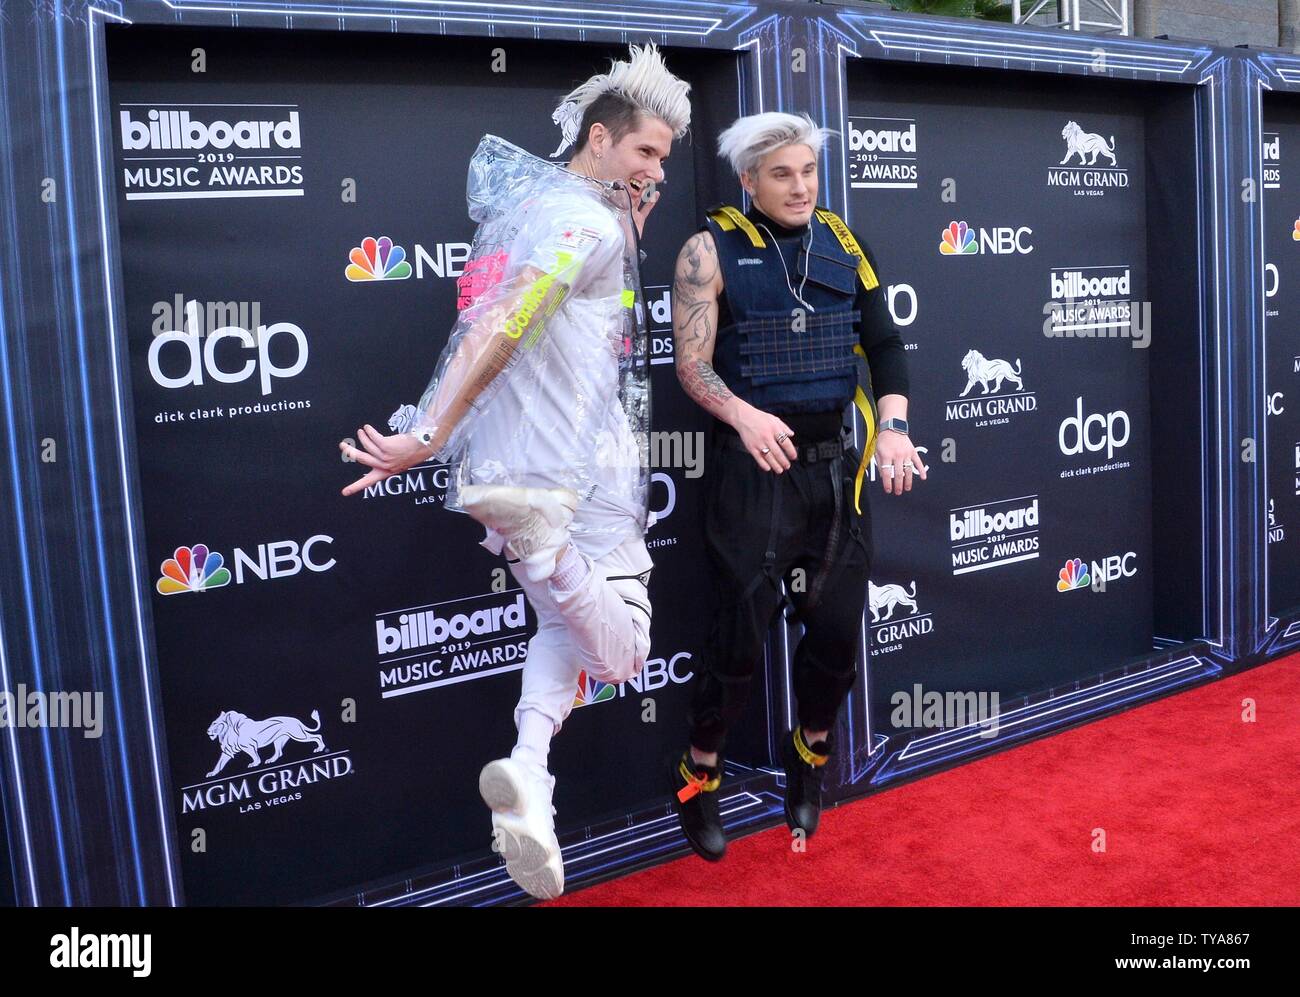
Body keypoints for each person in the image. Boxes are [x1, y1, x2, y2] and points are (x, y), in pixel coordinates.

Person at [338, 43, 691, 898]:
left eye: (664, 161)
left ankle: (531, 769)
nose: (653, 171)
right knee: (623, 653)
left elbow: (536, 310)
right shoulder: (585, 222)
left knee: (560, 633)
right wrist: (427, 430)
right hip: (581, 469)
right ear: (600, 138)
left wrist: (445, 439)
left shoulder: (543, 201)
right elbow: (509, 323)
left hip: (507, 463)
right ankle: (541, 548)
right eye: (645, 152)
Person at [667, 111, 925, 861]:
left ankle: (808, 763)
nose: (800, 186)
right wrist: (744, 416)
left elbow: (884, 344)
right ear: (749, 179)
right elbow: (691, 363)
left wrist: (898, 430)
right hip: (752, 473)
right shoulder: (706, 250)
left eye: (809, 170)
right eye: (782, 173)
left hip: (833, 475)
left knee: (838, 637)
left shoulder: (845, 242)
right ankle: (700, 770)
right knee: (737, 642)